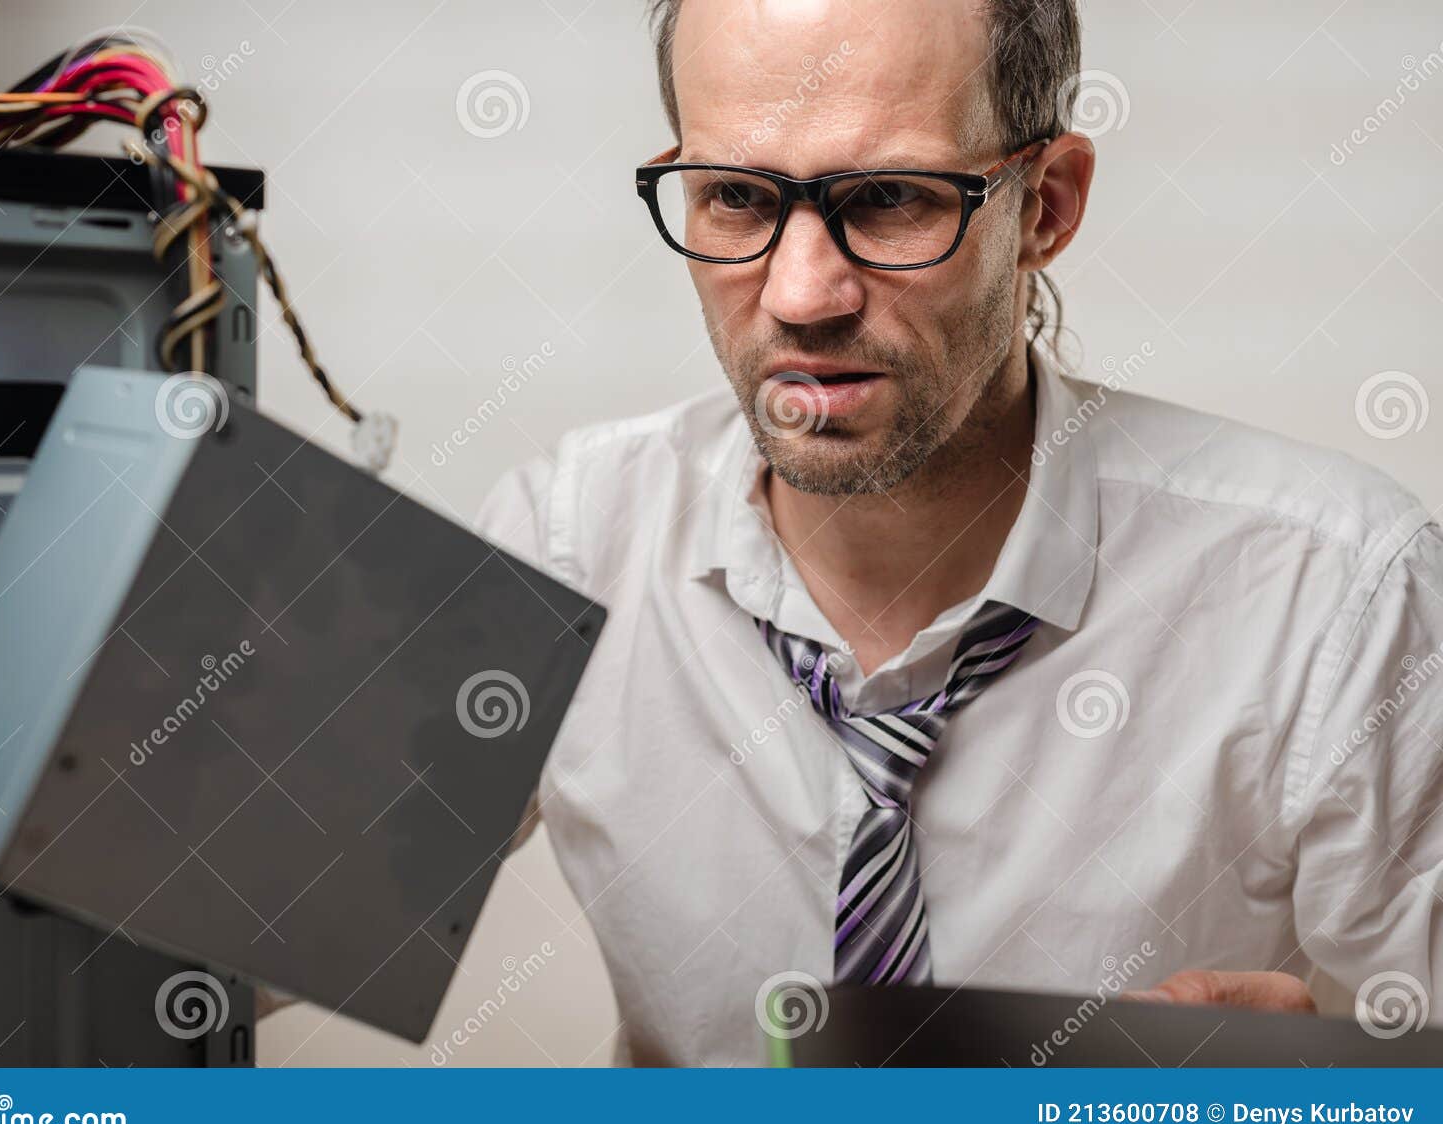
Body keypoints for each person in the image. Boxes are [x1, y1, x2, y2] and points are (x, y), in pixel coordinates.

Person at [475, 0, 1443, 1065]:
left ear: (1046, 206)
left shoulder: (1336, 596)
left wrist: (1341, 1112)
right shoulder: (562, 545)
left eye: (890, 198)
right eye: (737, 197)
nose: (800, 296)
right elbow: (267, 943)